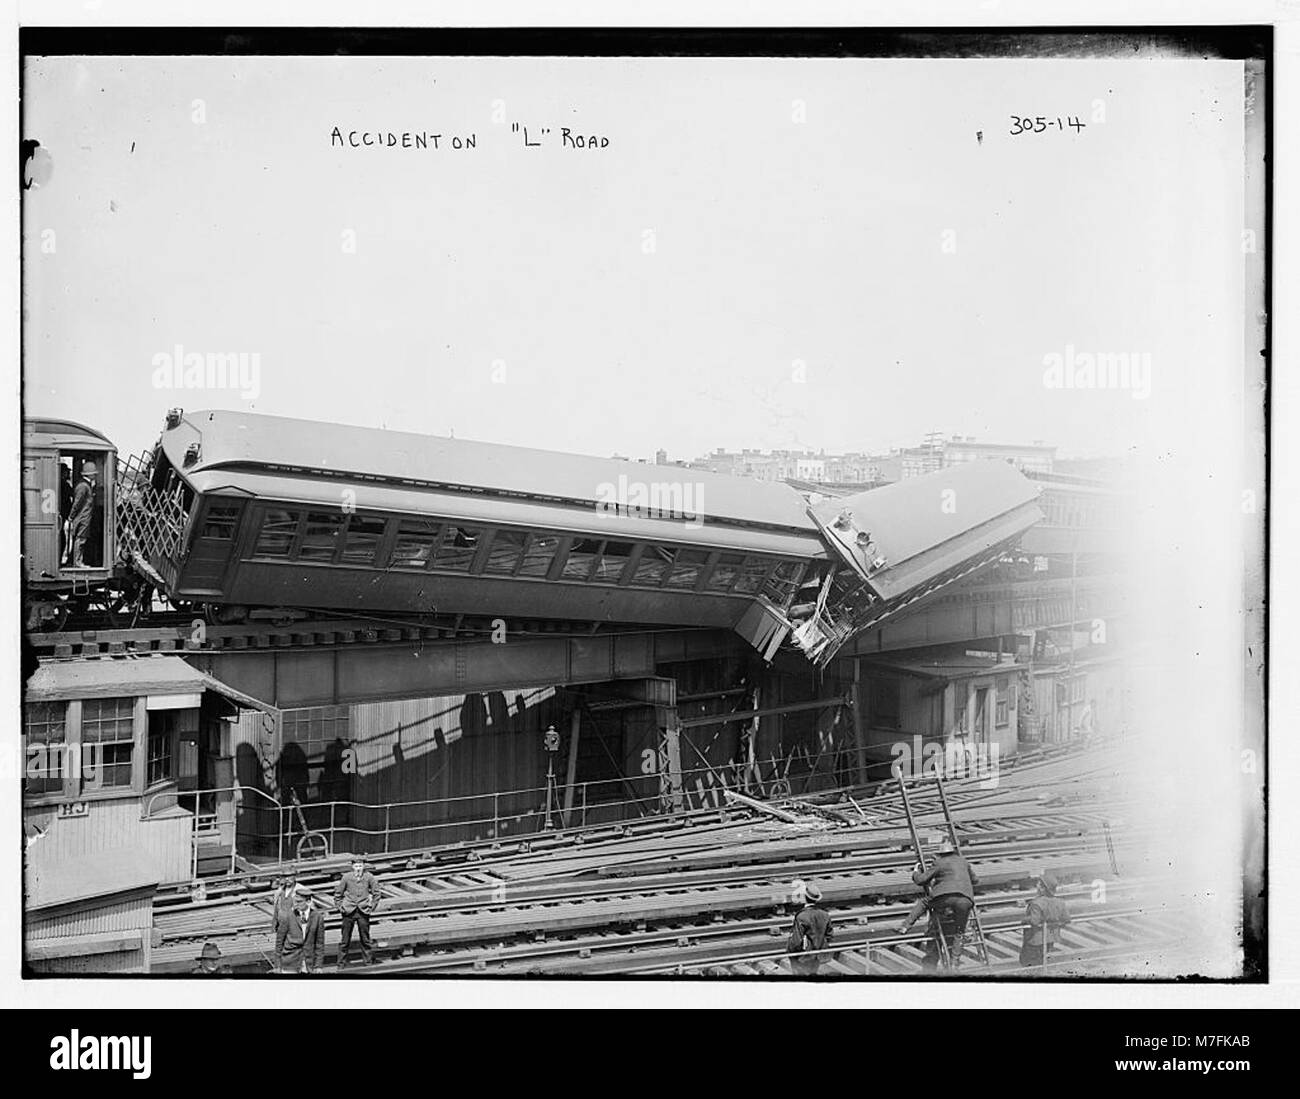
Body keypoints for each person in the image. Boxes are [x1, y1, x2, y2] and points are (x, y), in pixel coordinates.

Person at [911, 836, 979, 969]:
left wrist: (917, 872)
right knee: (955, 938)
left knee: (934, 944)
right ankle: (952, 966)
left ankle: (930, 971)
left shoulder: (939, 866)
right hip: (956, 912)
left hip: (941, 914)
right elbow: (975, 880)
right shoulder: (959, 864)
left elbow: (924, 882)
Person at [333, 854, 380, 967]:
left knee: (365, 939)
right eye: (356, 866)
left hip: (363, 911)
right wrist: (340, 907)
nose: (358, 868)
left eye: (360, 866)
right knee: (345, 940)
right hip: (348, 911)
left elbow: (376, 893)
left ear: (364, 866)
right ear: (352, 867)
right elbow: (338, 894)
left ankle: (368, 962)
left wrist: (371, 907)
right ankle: (341, 963)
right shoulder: (346, 877)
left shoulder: (369, 877)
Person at [1020, 871, 1072, 969]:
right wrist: (1054, 924)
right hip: (1051, 938)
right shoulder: (1060, 902)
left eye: (1039, 884)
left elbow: (1034, 921)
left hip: (1035, 940)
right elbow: (1067, 919)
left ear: (1043, 888)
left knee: (1027, 962)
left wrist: (1024, 919)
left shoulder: (1036, 903)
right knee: (1042, 960)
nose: (1037, 886)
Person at [786, 881, 833, 976]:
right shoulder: (825, 915)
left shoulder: (802, 916)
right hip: (817, 957)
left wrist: (791, 953)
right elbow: (829, 936)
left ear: (805, 897)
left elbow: (796, 941)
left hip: (802, 958)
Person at [276, 886, 326, 974]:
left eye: (299, 902)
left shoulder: (318, 917)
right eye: (295, 901)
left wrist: (318, 966)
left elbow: (319, 944)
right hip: (290, 962)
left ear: (308, 902)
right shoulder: (287, 916)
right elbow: (279, 942)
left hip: (308, 963)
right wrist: (277, 966)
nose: (295, 904)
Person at [66, 460, 97, 568]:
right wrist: (71, 516)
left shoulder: (85, 485)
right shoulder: (84, 486)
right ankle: (77, 562)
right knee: (81, 539)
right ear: (91, 474)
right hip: (82, 517)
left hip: (83, 516)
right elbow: (77, 502)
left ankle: (76, 561)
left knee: (81, 539)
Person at [270, 871, 299, 967]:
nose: (287, 879)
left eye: (290, 876)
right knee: (279, 947)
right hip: (282, 924)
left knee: (293, 947)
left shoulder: (299, 891)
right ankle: (278, 967)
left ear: (295, 877)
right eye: (285, 877)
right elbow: (276, 909)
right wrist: (274, 924)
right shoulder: (279, 892)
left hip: (294, 925)